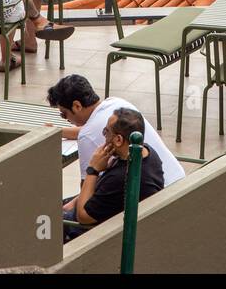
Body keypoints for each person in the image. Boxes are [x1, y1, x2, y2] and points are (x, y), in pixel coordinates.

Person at [46, 74, 184, 210]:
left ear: (77, 106)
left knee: (56, 211)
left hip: (148, 204)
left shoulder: (86, 136)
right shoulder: (116, 104)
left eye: (63, 114)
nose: (65, 119)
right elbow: (90, 130)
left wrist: (92, 169)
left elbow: (86, 197)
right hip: (174, 182)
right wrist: (58, 131)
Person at [63, 107, 165, 241]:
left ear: (118, 140)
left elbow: (83, 217)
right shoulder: (146, 152)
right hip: (109, 214)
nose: (104, 137)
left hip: (95, 234)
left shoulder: (121, 178)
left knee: (41, 217)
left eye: (106, 132)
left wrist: (92, 170)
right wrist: (73, 202)